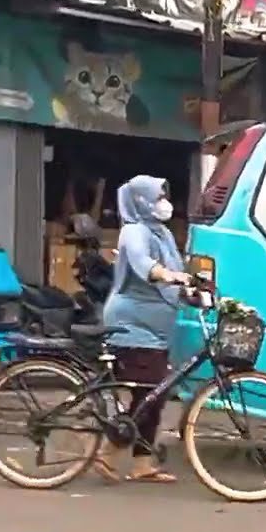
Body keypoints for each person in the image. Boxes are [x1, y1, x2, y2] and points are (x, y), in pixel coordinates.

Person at [94, 175, 192, 483]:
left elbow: (177, 272)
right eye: (157, 197)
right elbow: (141, 263)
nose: (163, 202)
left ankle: (142, 462)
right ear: (140, 201)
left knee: (154, 393)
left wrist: (191, 289)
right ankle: (108, 451)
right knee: (149, 390)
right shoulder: (134, 232)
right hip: (131, 324)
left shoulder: (160, 232)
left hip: (154, 329)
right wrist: (166, 275)